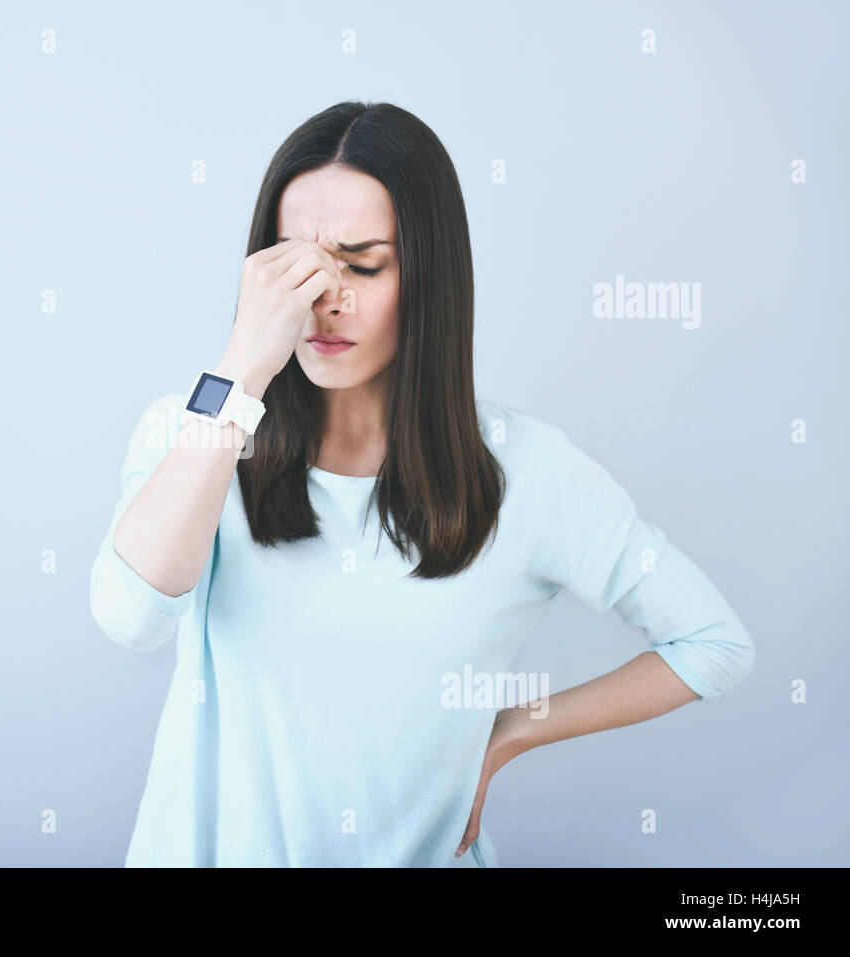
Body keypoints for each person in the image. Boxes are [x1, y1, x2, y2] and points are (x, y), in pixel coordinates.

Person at [88, 101, 755, 867]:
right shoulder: (194, 434)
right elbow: (129, 615)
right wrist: (239, 369)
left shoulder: (527, 473)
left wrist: (513, 729)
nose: (322, 300)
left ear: (429, 272)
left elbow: (714, 644)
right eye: (291, 268)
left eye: (361, 263)